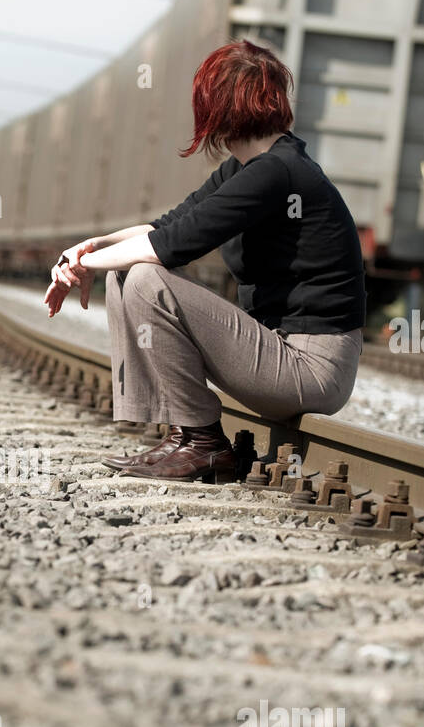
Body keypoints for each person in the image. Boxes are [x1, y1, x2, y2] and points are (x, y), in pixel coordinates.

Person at [43, 39, 366, 483]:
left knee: (144, 278)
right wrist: (90, 248)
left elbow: (172, 245)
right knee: (127, 269)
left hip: (310, 367)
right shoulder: (249, 167)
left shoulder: (276, 172)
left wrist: (85, 267)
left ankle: (203, 444)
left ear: (216, 108)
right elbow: (166, 226)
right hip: (277, 349)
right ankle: (181, 435)